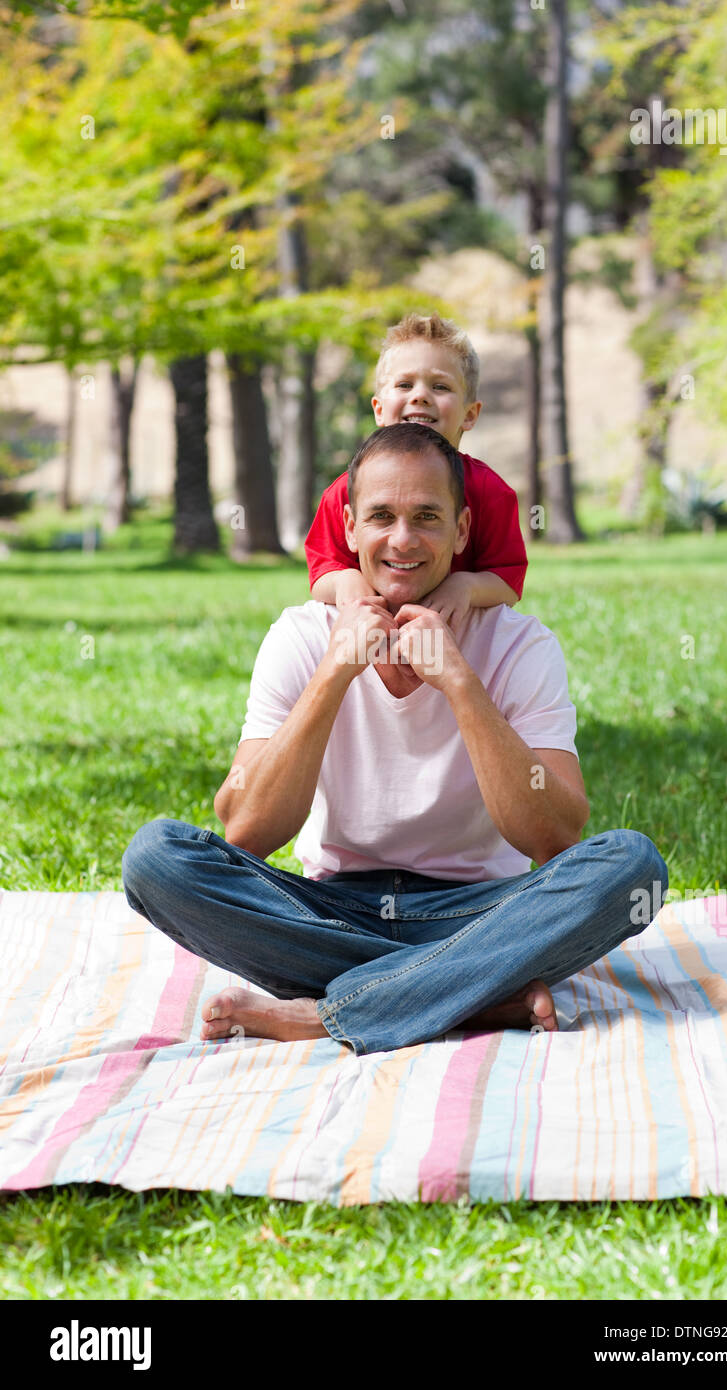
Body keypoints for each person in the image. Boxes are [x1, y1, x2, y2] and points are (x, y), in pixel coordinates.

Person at [122, 424, 667, 1057]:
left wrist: (460, 683)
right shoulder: (301, 637)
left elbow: (556, 836)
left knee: (632, 870)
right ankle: (469, 991)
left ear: (462, 530)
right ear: (349, 527)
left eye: (426, 517)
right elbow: (245, 829)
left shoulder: (521, 644)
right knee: (156, 858)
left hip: (481, 910)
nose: (402, 540)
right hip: (327, 909)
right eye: (381, 516)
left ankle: (330, 1012)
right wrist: (335, 672)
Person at [305, 311, 528, 626]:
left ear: (470, 414)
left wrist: (466, 586)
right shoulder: (346, 490)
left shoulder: (490, 491)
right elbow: (321, 573)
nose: (420, 396)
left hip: (460, 637)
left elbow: (507, 583)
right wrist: (344, 580)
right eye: (405, 384)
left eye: (440, 386)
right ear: (379, 409)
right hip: (372, 640)